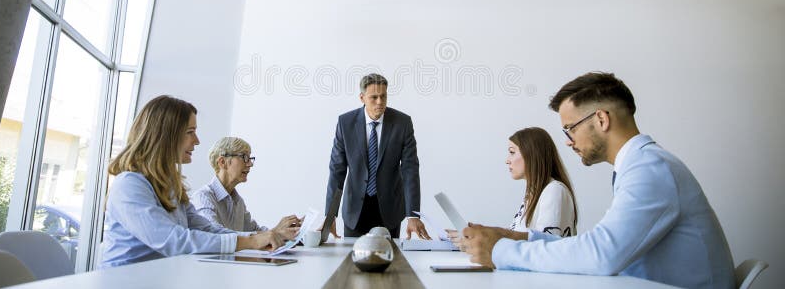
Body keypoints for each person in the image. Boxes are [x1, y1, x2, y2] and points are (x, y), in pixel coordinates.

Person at [461, 72, 735, 289]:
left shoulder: (650, 169)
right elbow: (601, 245)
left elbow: (601, 254)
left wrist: (501, 251)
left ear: (602, 119)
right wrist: (521, 237)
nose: (568, 142)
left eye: (570, 129)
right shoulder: (642, 165)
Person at [101, 96, 287, 268]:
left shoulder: (170, 186)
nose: (197, 141)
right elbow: (173, 240)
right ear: (165, 136)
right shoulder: (129, 185)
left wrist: (262, 238)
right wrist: (251, 241)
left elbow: (207, 229)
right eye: (190, 132)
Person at [326, 73, 431, 239]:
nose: (380, 102)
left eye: (383, 96)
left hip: (390, 211)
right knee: (351, 260)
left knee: (391, 260)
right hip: (355, 211)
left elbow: (410, 170)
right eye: (373, 97)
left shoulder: (402, 124)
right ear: (362, 98)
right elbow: (337, 170)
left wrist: (413, 216)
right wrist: (330, 216)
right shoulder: (345, 123)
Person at [447, 127, 577, 246]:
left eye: (512, 152)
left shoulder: (554, 190)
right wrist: (480, 235)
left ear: (531, 154)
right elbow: (517, 239)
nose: (507, 160)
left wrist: (486, 239)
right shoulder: (533, 194)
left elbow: (544, 246)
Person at [192, 136, 300, 235]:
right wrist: (275, 232)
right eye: (244, 157)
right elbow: (214, 234)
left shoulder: (238, 202)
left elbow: (255, 232)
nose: (250, 164)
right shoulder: (203, 197)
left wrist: (286, 230)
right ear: (222, 162)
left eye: (250, 158)